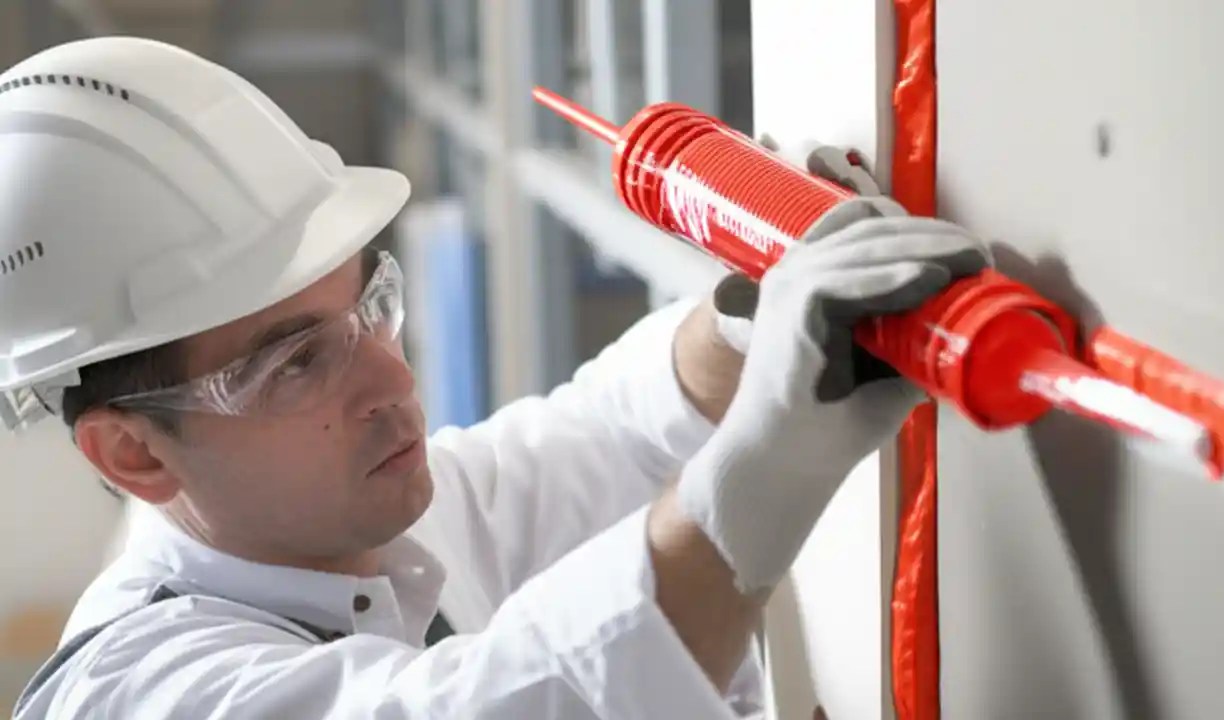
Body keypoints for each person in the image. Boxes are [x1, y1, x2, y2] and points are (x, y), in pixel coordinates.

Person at [1, 37, 989, 718]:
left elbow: (603, 435)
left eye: (367, 307)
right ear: (133, 454)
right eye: (297, 362)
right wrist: (769, 455)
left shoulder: (347, 529)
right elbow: (502, 706)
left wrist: (748, 316)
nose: (389, 376)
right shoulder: (140, 693)